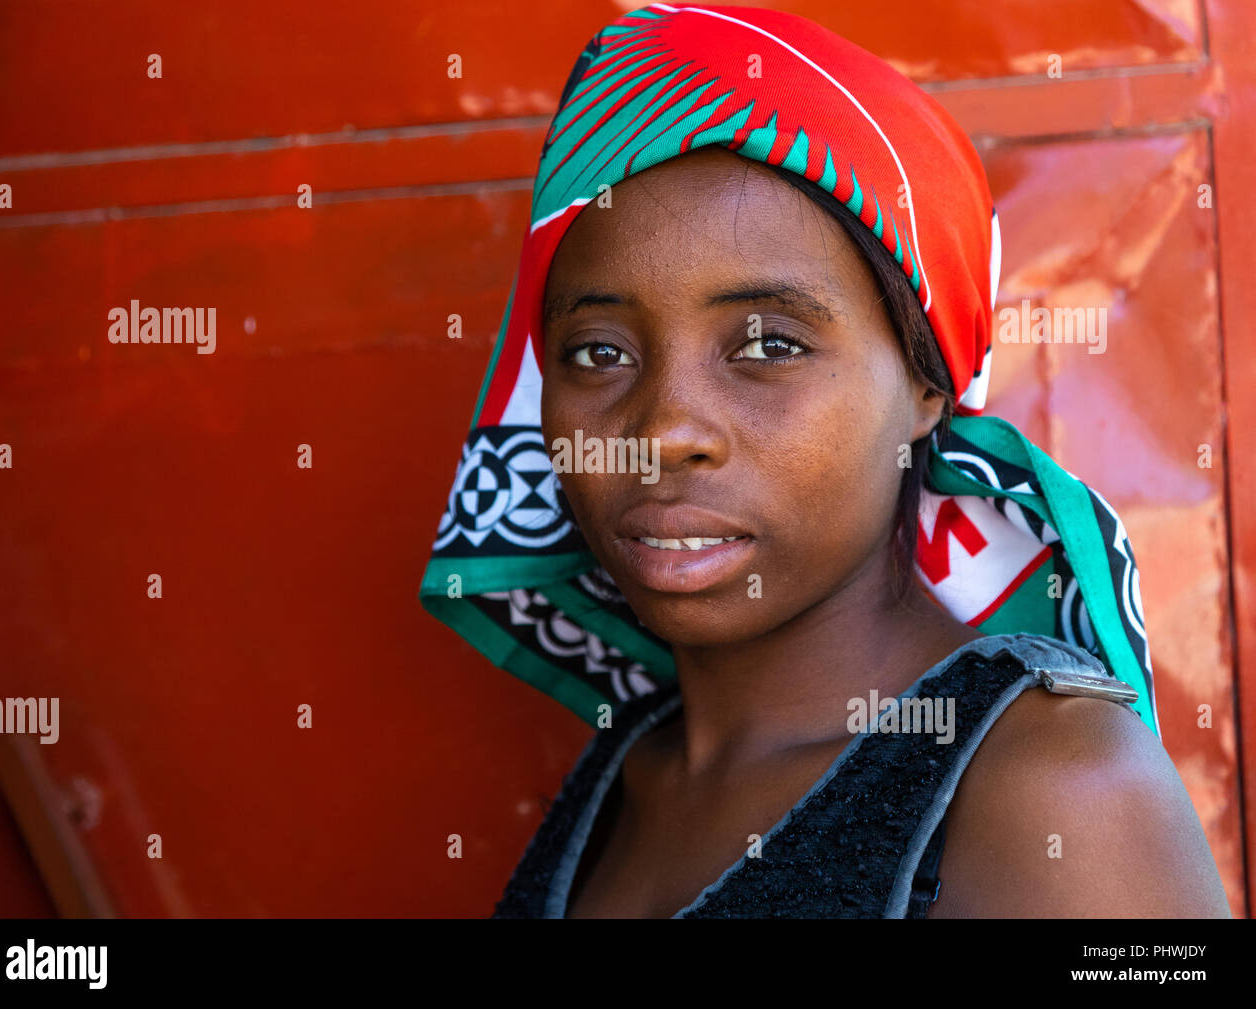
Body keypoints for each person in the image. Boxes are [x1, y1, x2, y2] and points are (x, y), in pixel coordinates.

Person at [419, 3, 1230, 917]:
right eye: (599, 352)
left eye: (768, 345)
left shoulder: (1053, 788)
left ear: (927, 388)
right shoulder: (622, 778)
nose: (664, 429)